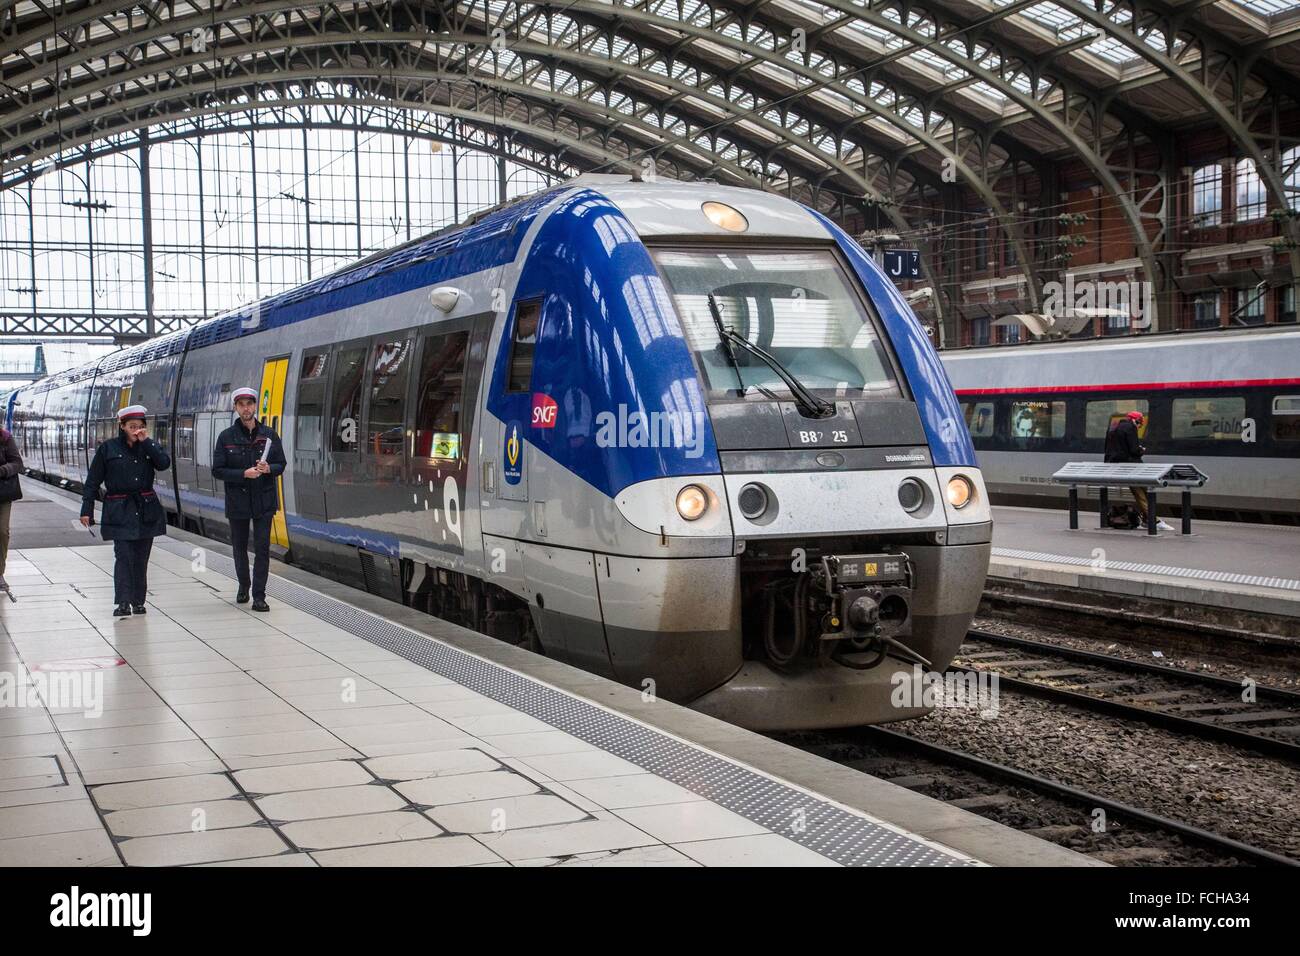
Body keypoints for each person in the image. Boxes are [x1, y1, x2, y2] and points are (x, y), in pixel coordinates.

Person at [80, 405, 172, 616]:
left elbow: (164, 463)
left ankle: (138, 601)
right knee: (123, 556)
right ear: (121, 426)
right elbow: (93, 481)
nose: (136, 430)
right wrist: (87, 509)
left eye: (140, 426)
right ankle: (122, 602)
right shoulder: (108, 449)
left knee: (141, 557)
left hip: (146, 509)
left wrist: (147, 442)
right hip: (119, 509)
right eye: (131, 426)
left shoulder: (149, 447)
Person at [212, 387, 286, 612]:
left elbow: (281, 464)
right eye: (241, 404)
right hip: (238, 501)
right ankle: (244, 585)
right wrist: (243, 474)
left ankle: (259, 596)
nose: (246, 408)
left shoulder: (269, 435)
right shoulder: (226, 437)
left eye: (250, 403)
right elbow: (218, 470)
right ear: (236, 407)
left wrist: (268, 468)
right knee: (239, 547)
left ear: (255, 406)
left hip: (264, 501)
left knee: (262, 548)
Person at [1104, 409, 1173, 532]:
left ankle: (1148, 519)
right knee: (1142, 493)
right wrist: (1142, 450)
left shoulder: (1113, 427)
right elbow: (1134, 450)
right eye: (1139, 423)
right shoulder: (1130, 427)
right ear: (1136, 420)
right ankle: (1154, 521)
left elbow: (1109, 448)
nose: (1139, 426)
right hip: (1131, 467)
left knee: (1142, 491)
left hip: (1115, 465)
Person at [0, 424, 24, 592]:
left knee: (2, 531)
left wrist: (3, 470)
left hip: (2, 494)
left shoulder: (5, 438)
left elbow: (17, 463)